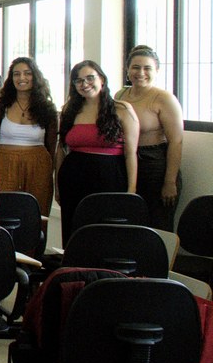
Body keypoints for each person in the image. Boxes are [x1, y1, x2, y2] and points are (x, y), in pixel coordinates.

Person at [56, 60, 139, 241]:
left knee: (104, 232)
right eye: (78, 81)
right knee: (74, 231)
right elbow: (61, 150)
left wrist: (131, 190)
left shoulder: (122, 109)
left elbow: (130, 153)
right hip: (72, 179)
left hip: (109, 178)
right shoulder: (69, 110)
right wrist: (57, 186)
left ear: (101, 78)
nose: (84, 84)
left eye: (90, 78)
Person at [115, 45, 184, 231]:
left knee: (157, 225)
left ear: (157, 71)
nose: (141, 73)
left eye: (147, 68)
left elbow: (176, 141)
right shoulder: (120, 95)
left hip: (155, 166)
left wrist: (169, 182)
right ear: (128, 69)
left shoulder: (163, 98)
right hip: (126, 163)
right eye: (136, 67)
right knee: (130, 222)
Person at [0, 57, 58, 220]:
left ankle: (35, 246)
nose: (21, 78)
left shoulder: (47, 107)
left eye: (27, 73)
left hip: (38, 163)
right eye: (16, 74)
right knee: (5, 211)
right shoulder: (0, 102)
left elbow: (52, 145)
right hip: (5, 162)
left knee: (36, 213)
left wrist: (50, 172)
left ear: (35, 76)